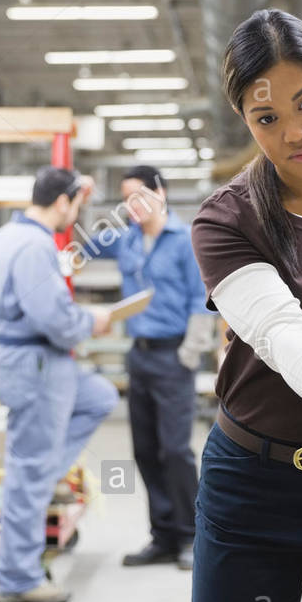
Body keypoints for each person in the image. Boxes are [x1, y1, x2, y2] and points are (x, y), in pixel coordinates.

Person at [0, 165, 118, 602]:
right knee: (29, 470)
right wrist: (90, 321)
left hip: (29, 360)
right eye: (75, 206)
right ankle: (18, 578)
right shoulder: (36, 246)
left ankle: (46, 473)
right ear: (61, 203)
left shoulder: (7, 236)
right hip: (35, 362)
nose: (75, 215)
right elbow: (53, 318)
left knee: (99, 396)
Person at [91, 165, 216, 571]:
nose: (133, 207)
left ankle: (192, 536)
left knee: (175, 450)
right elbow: (85, 246)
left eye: (140, 196)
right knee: (145, 450)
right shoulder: (125, 239)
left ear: (160, 192)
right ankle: (162, 535)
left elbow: (202, 300)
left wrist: (189, 353)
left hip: (172, 354)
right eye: (126, 199)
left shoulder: (184, 240)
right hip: (139, 355)